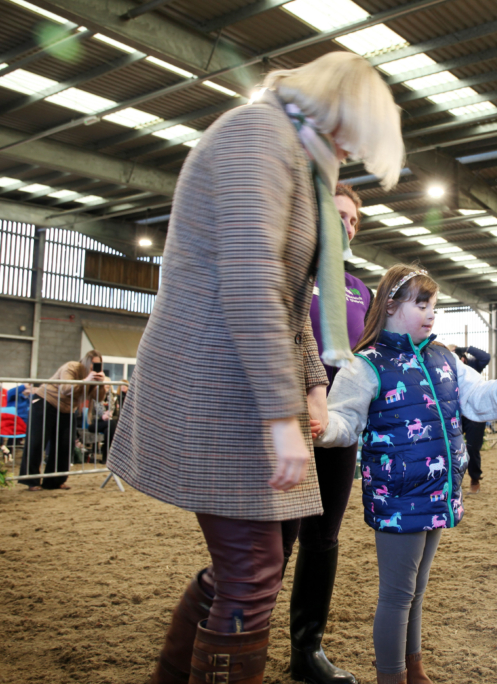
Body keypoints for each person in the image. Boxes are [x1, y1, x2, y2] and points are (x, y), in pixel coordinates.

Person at [107, 51, 403, 684]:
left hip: (237, 379)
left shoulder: (296, 155)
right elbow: (250, 280)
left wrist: (315, 389)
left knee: (243, 565)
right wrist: (279, 416)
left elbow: (291, 300)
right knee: (252, 567)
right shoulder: (257, 134)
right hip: (212, 379)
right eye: (354, 137)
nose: (350, 153)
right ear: (339, 109)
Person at [315, 265, 497, 684]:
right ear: (391, 305)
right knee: (396, 595)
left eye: (434, 305)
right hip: (398, 495)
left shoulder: (444, 358)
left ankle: (414, 670)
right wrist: (321, 427)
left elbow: (481, 401)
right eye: (422, 304)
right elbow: (344, 421)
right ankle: (390, 677)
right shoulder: (366, 365)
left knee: (416, 591)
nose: (432, 313)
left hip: (438, 492)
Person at [291, 183, 372, 684]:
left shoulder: (359, 287)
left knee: (323, 537)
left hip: (339, 423)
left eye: (354, 220)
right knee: (273, 541)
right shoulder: (292, 273)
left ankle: (307, 649)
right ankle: (242, 642)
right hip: (290, 415)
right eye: (339, 214)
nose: (347, 224)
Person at [20, 351, 105, 491]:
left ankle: (56, 480)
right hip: (46, 402)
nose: (93, 367)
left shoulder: (94, 378)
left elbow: (99, 398)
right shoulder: (71, 367)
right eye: (92, 363)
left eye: (97, 364)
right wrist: (86, 380)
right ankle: (31, 480)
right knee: (36, 441)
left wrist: (100, 384)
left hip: (67, 409)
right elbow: (65, 388)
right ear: (86, 362)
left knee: (65, 445)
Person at [447, 344, 490, 493]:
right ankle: (450, 482)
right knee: (449, 448)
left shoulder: (472, 367)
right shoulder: (445, 370)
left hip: (475, 415)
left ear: (463, 358)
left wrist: (465, 348)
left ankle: (475, 478)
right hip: (454, 414)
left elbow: (486, 357)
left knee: (472, 449)